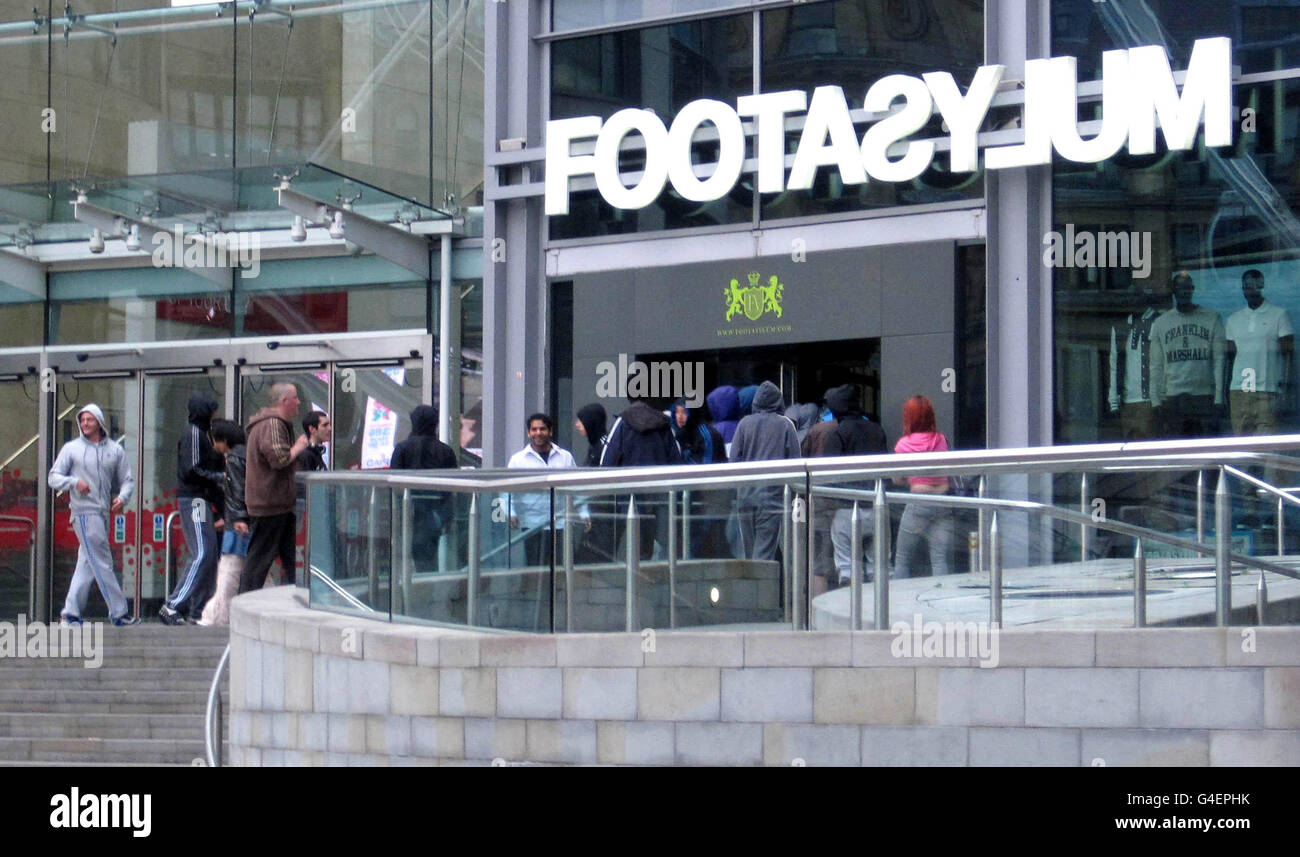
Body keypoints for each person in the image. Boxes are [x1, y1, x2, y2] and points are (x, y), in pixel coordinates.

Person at [48, 404, 139, 626]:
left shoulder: (114, 450)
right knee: (102, 561)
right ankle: (119, 613)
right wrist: (74, 483)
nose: (85, 423)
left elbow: (127, 479)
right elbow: (53, 477)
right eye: (83, 420)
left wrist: (123, 498)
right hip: (84, 513)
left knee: (87, 563)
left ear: (99, 421)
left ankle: (70, 614)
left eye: (89, 419)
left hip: (102, 513)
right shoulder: (72, 448)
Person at [239, 382, 311, 593]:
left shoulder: (273, 424)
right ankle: (244, 603)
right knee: (259, 559)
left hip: (278, 503)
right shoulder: (272, 425)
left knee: (287, 556)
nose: (298, 402)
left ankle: (295, 598)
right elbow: (279, 459)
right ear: (284, 401)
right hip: (270, 504)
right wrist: (298, 446)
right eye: (295, 397)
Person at [160, 394, 224, 625]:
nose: (215, 415)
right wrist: (219, 477)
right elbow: (193, 468)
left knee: (206, 554)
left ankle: (197, 609)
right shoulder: (195, 433)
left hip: (198, 499)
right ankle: (174, 604)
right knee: (203, 553)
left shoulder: (198, 433)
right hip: (195, 499)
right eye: (213, 410)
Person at [819, 384, 888, 586]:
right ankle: (878, 611)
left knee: (847, 568)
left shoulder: (838, 434)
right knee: (880, 567)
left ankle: (850, 611)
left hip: (846, 509)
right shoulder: (876, 430)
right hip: (877, 506)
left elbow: (827, 475)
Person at [601, 396, 682, 559]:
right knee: (665, 547)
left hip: (629, 497)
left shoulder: (622, 422)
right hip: (661, 497)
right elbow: (676, 463)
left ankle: (635, 579)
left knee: (633, 547)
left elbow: (606, 462)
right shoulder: (663, 425)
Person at [1149, 271, 1226, 438]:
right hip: (1173, 397)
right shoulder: (1161, 323)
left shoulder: (1212, 318)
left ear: (1193, 290)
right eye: (1180, 288)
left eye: (1187, 288)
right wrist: (1155, 401)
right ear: (1173, 291)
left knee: (1207, 453)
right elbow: (1156, 365)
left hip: (1204, 396)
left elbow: (1220, 361)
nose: (1184, 292)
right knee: (1177, 454)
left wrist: (1219, 398)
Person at [730, 381, 801, 560]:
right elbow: (796, 465)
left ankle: (749, 587)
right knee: (764, 553)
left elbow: (733, 462)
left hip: (745, 498)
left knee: (748, 552)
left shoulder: (744, 424)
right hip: (773, 499)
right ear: (779, 402)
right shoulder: (785, 425)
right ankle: (761, 587)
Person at [504, 413, 582, 566]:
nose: (538, 433)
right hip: (532, 525)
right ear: (528, 432)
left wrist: (582, 513)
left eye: (542, 429)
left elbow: (576, 487)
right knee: (536, 570)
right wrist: (511, 513)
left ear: (550, 431)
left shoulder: (565, 457)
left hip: (561, 524)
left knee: (563, 568)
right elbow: (507, 490)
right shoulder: (518, 460)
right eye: (534, 429)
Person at [391, 404, 459, 570]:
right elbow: (453, 488)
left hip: (408, 511)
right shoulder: (445, 451)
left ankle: (412, 587)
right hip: (436, 513)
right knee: (428, 557)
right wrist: (447, 516)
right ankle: (427, 585)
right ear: (434, 424)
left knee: (408, 555)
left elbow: (394, 483)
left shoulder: (402, 449)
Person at [893, 395, 954, 578]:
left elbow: (897, 479)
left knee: (902, 558)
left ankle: (896, 600)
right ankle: (940, 598)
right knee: (939, 559)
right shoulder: (941, 440)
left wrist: (912, 477)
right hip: (942, 502)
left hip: (918, 502)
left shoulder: (903, 444)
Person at [1227, 269, 1294, 437]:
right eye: (1246, 286)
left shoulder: (1279, 315)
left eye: (1254, 285)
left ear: (1262, 285)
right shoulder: (1233, 320)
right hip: (1239, 391)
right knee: (1241, 444)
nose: (1250, 289)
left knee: (1265, 445)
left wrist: (1286, 389)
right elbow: (1229, 359)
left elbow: (1289, 356)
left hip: (1267, 390)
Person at [198, 419, 248, 627]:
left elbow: (237, 490)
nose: (214, 445)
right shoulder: (245, 455)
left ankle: (216, 616)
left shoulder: (235, 459)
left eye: (215, 440)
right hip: (243, 522)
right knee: (254, 573)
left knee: (228, 572)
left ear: (224, 440)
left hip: (237, 527)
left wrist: (236, 519)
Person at [1108, 287, 1168, 439]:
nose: (1134, 302)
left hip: (1150, 400)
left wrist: (1161, 398)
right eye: (1131, 298)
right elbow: (1114, 365)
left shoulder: (1158, 323)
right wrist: (1114, 402)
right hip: (1127, 401)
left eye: (1138, 297)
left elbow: (1165, 363)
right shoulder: (1120, 327)